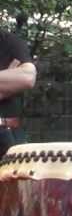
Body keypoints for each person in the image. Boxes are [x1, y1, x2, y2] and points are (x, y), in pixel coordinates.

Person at [0, 29, 37, 157]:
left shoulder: (9, 41)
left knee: (13, 176)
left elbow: (27, 77)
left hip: (8, 137)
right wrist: (7, 80)